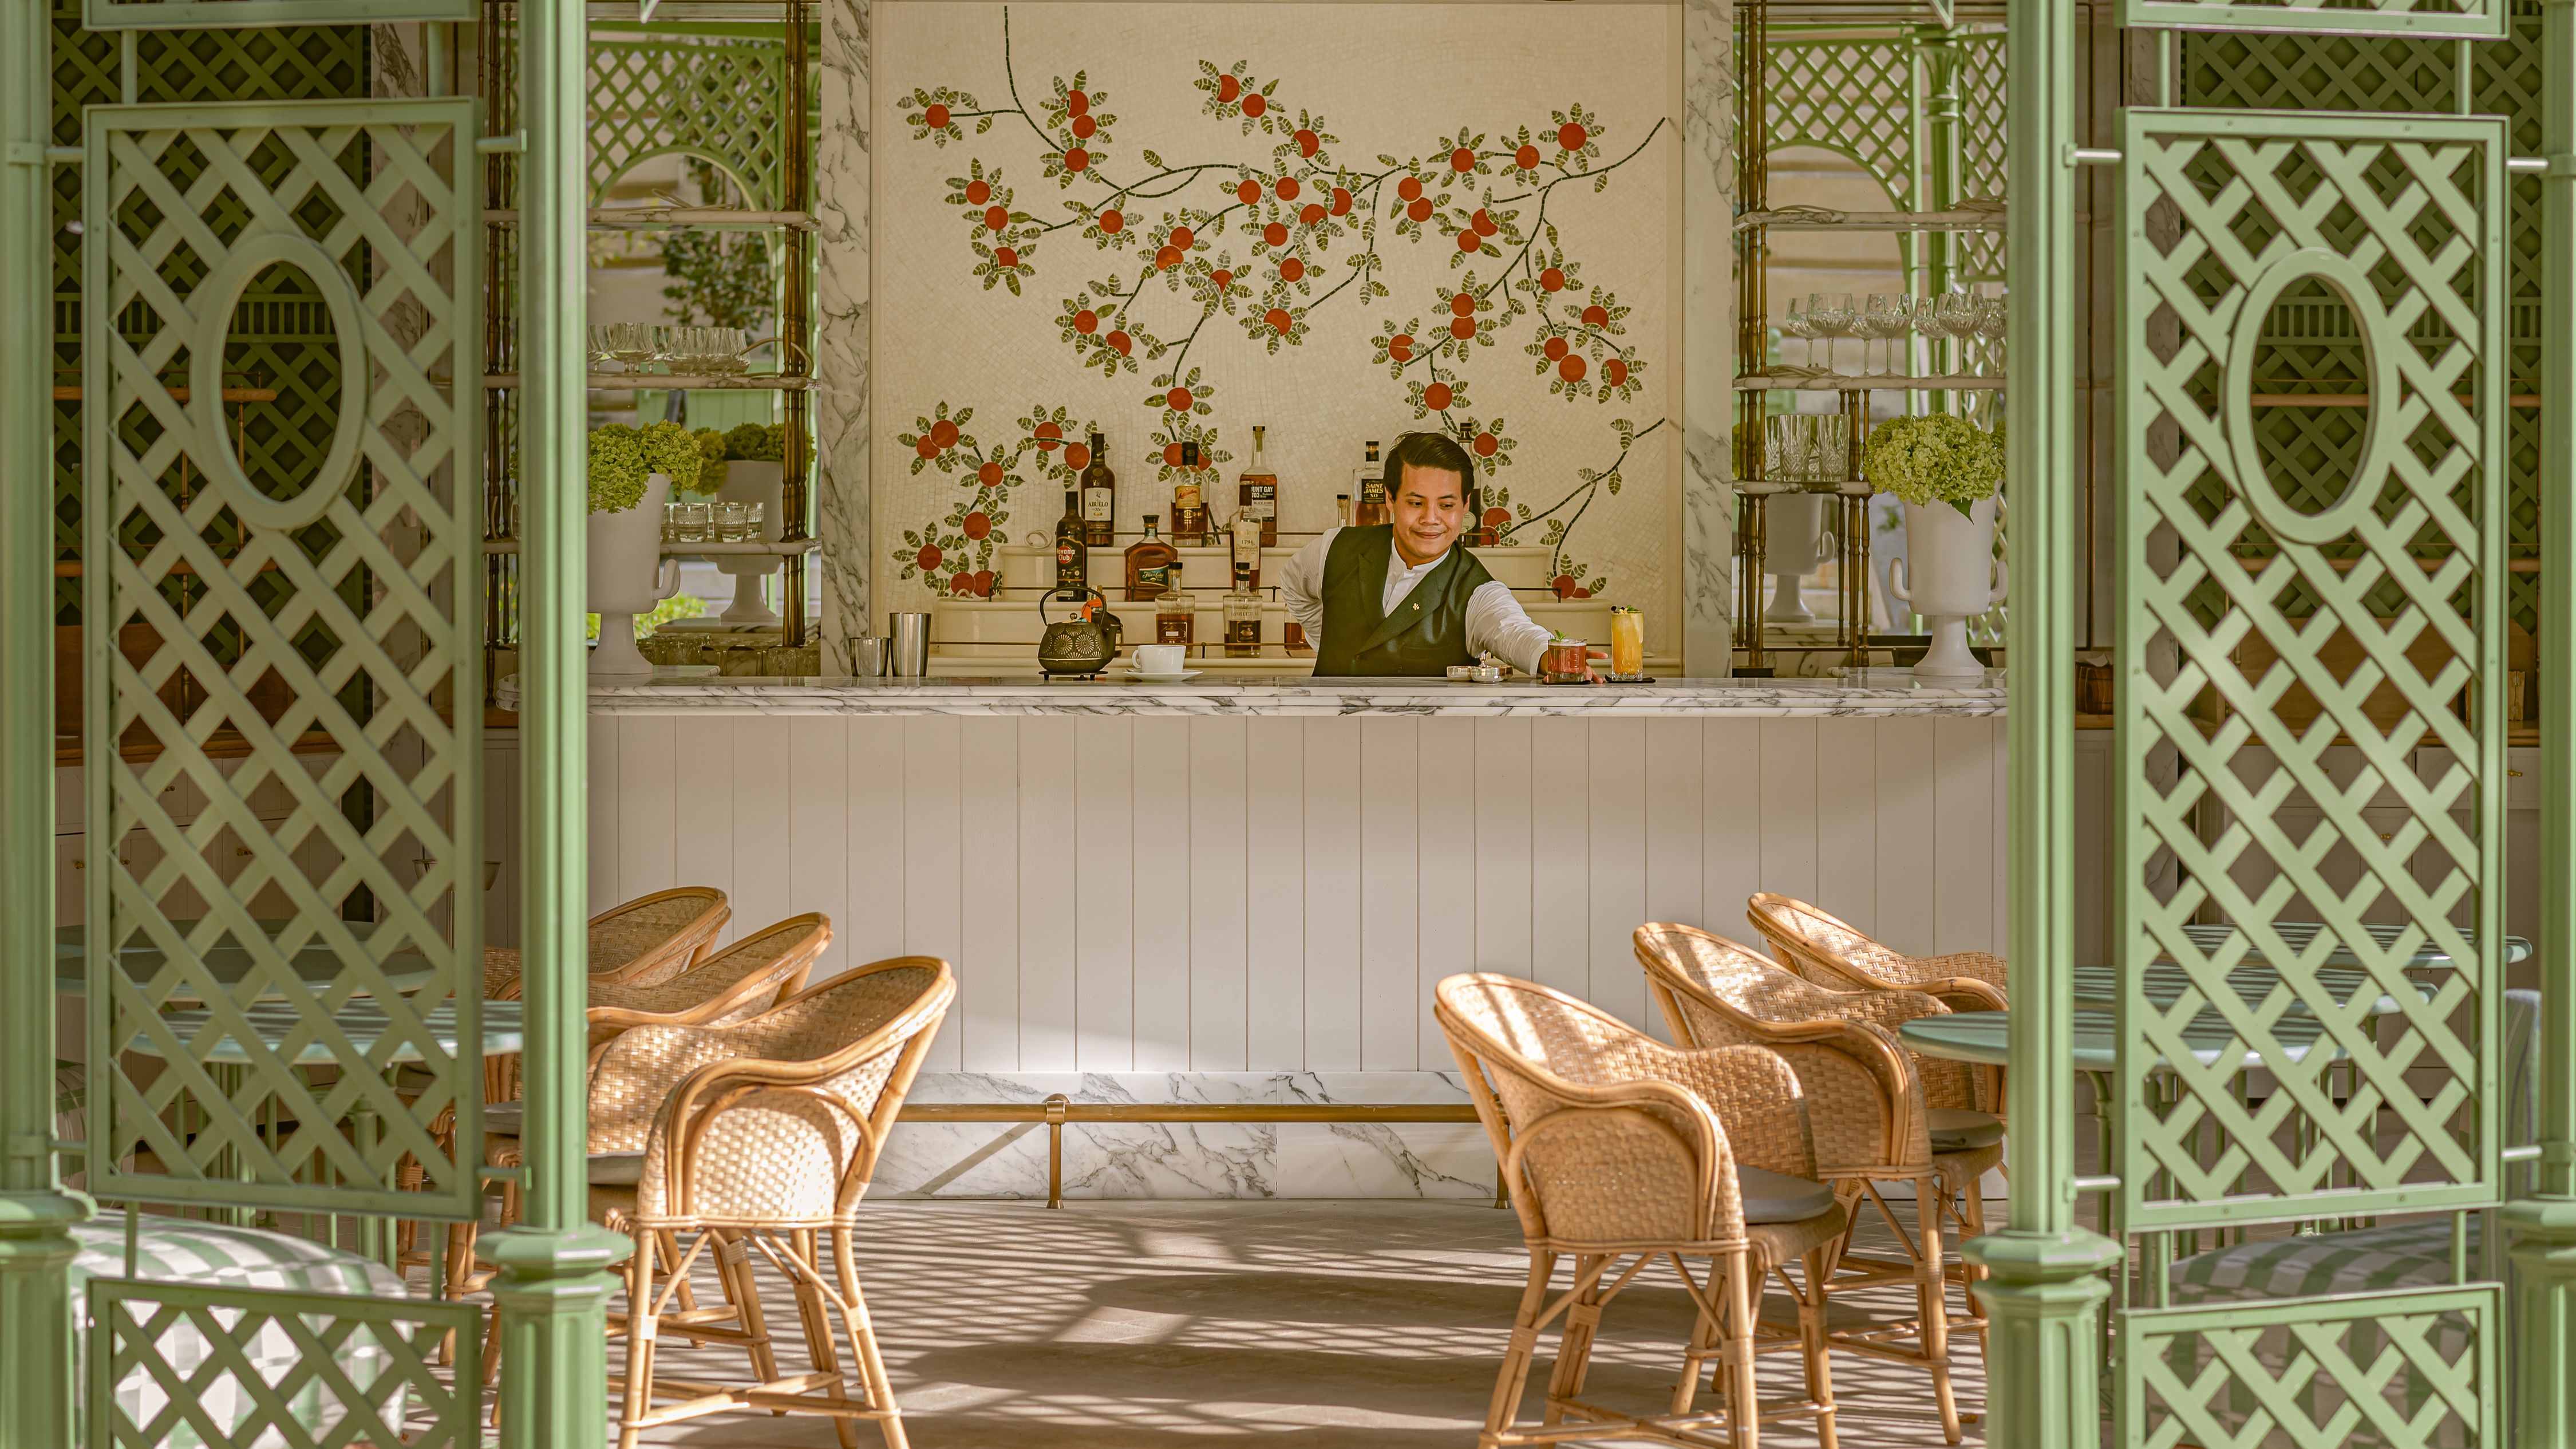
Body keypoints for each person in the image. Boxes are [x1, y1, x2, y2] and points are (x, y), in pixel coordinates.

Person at [1279, 431, 1582, 678]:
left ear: (1465, 506)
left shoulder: (1478, 592)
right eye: (1416, 503)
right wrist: (1328, 640)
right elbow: (1292, 583)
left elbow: (1514, 631)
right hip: (1327, 730)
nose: (1431, 519)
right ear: (1390, 498)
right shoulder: (1333, 548)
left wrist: (1553, 657)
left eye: (1447, 506)